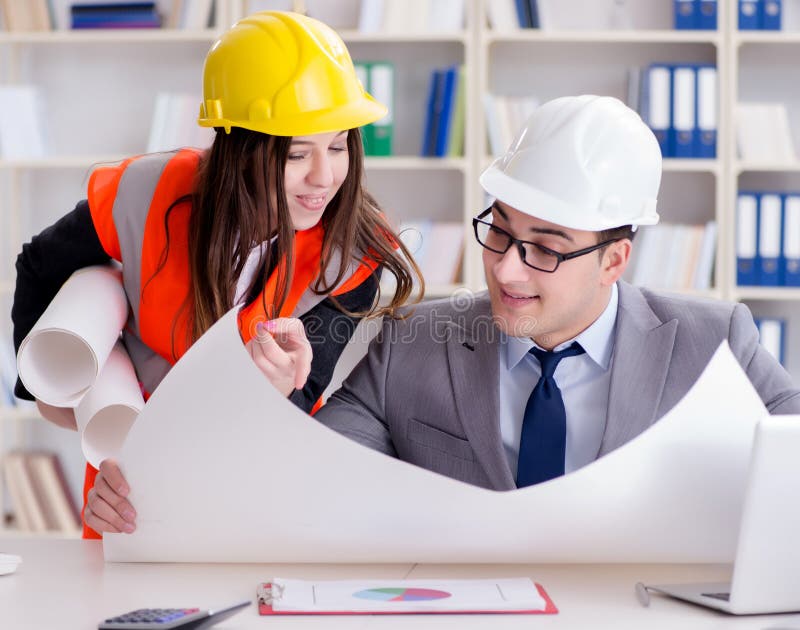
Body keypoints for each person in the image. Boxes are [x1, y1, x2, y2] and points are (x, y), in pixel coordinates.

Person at [11, 11, 419, 537]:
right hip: (126, 479)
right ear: (240, 148)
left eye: (338, 146)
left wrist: (271, 396)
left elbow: (303, 400)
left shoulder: (352, 255)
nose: (325, 177)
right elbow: (39, 266)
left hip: (250, 495)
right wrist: (50, 394)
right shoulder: (147, 193)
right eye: (297, 153)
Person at [313, 94, 800, 489]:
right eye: (499, 232)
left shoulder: (715, 344)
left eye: (545, 250)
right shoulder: (410, 344)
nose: (506, 270)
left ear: (613, 261)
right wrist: (274, 388)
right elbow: (314, 472)